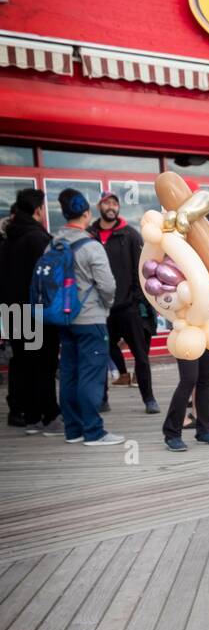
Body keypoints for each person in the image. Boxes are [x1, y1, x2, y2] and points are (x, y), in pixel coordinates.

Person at [53, 189, 123, 446]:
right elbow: (108, 285)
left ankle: (73, 430)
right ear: (86, 213)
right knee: (91, 375)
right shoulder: (91, 245)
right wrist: (106, 305)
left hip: (63, 318)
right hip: (90, 319)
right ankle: (94, 432)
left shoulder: (54, 243)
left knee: (69, 373)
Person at [90, 193, 158, 414]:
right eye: (107, 203)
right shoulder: (90, 235)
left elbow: (142, 270)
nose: (111, 207)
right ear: (99, 207)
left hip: (129, 308)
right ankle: (102, 398)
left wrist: (138, 301)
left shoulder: (130, 235)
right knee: (101, 353)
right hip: (101, 309)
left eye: (115, 203)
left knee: (141, 356)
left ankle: (149, 399)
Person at [0, 187, 59, 432]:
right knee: (43, 363)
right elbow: (48, 278)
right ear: (37, 210)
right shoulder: (38, 238)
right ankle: (47, 413)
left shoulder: (7, 237)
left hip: (12, 309)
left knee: (21, 361)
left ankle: (21, 411)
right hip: (36, 311)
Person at [163, 349, 209, 452]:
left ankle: (205, 431)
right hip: (186, 335)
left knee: (205, 379)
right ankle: (172, 433)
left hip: (208, 335)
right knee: (188, 379)